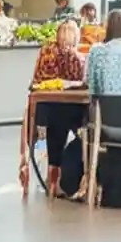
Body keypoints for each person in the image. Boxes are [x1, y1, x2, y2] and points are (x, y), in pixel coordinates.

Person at [32, 20, 86, 197]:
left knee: (56, 126)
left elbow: (35, 80)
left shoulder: (45, 52)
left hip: (44, 111)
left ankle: (52, 176)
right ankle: (74, 175)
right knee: (77, 122)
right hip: (71, 110)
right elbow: (82, 84)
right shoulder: (77, 58)